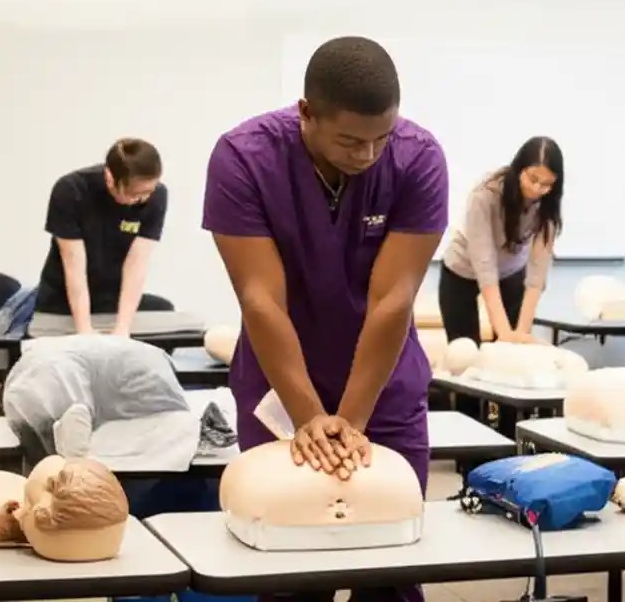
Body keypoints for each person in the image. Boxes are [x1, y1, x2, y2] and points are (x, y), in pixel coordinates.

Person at [202, 36, 446, 602]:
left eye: (380, 138)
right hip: (279, 387)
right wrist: (309, 415)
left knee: (389, 565)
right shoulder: (244, 158)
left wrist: (350, 423)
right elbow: (260, 298)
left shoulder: (419, 158)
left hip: (382, 388)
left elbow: (394, 299)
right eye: (349, 140)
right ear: (305, 113)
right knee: (291, 565)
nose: (367, 154)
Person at [30, 139, 169, 338]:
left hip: (112, 302)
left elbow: (137, 263)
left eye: (148, 191)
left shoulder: (157, 196)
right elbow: (74, 266)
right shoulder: (71, 191)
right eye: (134, 194)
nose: (142, 199)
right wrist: (84, 330)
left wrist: (122, 328)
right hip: (61, 306)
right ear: (110, 178)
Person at [438, 137, 563, 345]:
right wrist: (504, 332)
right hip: (462, 270)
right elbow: (484, 264)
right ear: (519, 168)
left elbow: (537, 274)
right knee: (464, 350)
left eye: (546, 184)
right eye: (532, 179)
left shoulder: (547, 205)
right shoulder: (485, 195)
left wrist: (521, 333)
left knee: (516, 346)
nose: (537, 189)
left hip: (511, 271)